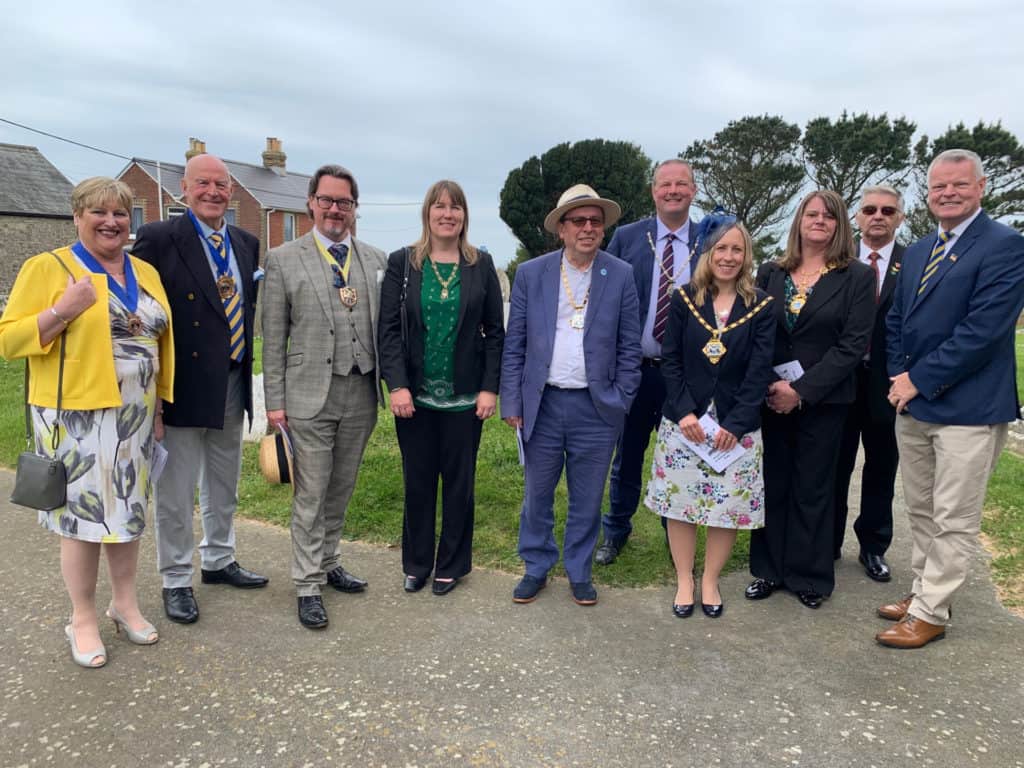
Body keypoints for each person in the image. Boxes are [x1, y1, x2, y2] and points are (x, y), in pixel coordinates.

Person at [0, 177, 174, 667]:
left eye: (120, 213)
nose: (111, 222)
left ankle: (124, 604)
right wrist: (62, 310)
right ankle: (82, 617)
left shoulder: (145, 272)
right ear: (77, 216)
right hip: (75, 416)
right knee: (82, 518)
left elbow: (157, 344)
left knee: (128, 514)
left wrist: (158, 407)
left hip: (135, 417)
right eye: (98, 212)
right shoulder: (49, 267)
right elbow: (9, 340)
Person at [877, 149, 1024, 649]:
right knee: (920, 509)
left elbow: (983, 332)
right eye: (939, 186)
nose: (948, 194)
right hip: (914, 403)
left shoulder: (1006, 246)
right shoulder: (918, 249)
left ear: (981, 186)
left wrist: (916, 379)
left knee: (954, 517)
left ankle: (933, 612)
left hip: (969, 408)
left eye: (959, 185)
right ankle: (923, 590)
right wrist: (900, 374)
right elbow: (896, 319)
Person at [134, 154, 267, 626]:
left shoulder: (247, 243)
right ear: (183, 190)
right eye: (203, 183)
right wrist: (153, 395)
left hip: (232, 379)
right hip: (183, 386)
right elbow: (139, 314)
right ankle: (174, 579)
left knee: (223, 482)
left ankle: (218, 560)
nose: (214, 191)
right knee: (175, 490)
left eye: (222, 184)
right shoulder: (159, 238)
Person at [500, 184, 641, 607]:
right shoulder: (532, 273)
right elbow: (516, 344)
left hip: (596, 407)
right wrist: (512, 403)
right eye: (578, 220)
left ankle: (579, 570)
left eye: (595, 221)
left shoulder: (619, 274)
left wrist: (622, 399)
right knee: (537, 494)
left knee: (587, 496)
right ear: (561, 229)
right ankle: (537, 566)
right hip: (541, 403)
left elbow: (630, 346)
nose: (588, 228)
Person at [262, 164, 387, 629]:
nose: (336, 209)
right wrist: (274, 402)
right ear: (311, 203)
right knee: (311, 492)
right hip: (308, 395)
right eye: (328, 200)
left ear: (356, 209)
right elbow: (272, 339)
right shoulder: (283, 259)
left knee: (342, 485)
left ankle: (330, 560)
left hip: (361, 390)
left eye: (345, 202)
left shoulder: (376, 260)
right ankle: (307, 583)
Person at [747, 190, 875, 609]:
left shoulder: (855, 276)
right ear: (799, 220)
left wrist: (801, 391)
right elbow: (755, 334)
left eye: (829, 216)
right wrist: (771, 386)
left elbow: (852, 344)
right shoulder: (771, 272)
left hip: (825, 400)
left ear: (840, 225)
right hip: (770, 398)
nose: (819, 221)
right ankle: (768, 571)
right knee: (773, 483)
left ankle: (809, 576)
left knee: (813, 487)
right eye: (811, 213)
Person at [378, 180, 505, 595]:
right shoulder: (403, 263)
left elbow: (494, 332)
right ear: (427, 213)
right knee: (417, 482)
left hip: (465, 400)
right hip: (413, 399)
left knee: (459, 483)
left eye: (455, 207)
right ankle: (417, 563)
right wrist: (396, 385)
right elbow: (390, 330)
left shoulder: (480, 264)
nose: (447, 214)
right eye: (440, 206)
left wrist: (489, 388)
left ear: (465, 215)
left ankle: (451, 564)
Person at [644, 215, 774, 618]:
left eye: (737, 249)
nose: (729, 257)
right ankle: (684, 578)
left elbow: (759, 370)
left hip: (736, 429)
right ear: (707, 252)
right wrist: (684, 411)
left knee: (726, 508)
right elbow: (671, 360)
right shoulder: (684, 299)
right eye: (721, 248)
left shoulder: (762, 306)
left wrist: (736, 424)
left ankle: (710, 580)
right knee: (681, 505)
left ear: (747, 256)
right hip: (686, 424)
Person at [598, 159, 700, 565]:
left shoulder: (711, 237)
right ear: (653, 190)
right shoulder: (626, 237)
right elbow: (604, 299)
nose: (672, 191)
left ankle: (676, 537)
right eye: (664, 184)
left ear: (693, 190)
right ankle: (615, 531)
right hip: (636, 369)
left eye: (681, 184)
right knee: (627, 457)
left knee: (680, 457)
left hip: (688, 375)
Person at [833, 185, 906, 582]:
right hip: (840, 382)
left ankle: (873, 546)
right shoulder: (838, 262)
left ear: (900, 218)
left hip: (887, 383)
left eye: (888, 210)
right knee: (834, 465)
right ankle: (826, 543)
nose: (878, 216)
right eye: (870, 210)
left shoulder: (913, 263)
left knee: (881, 467)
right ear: (857, 218)